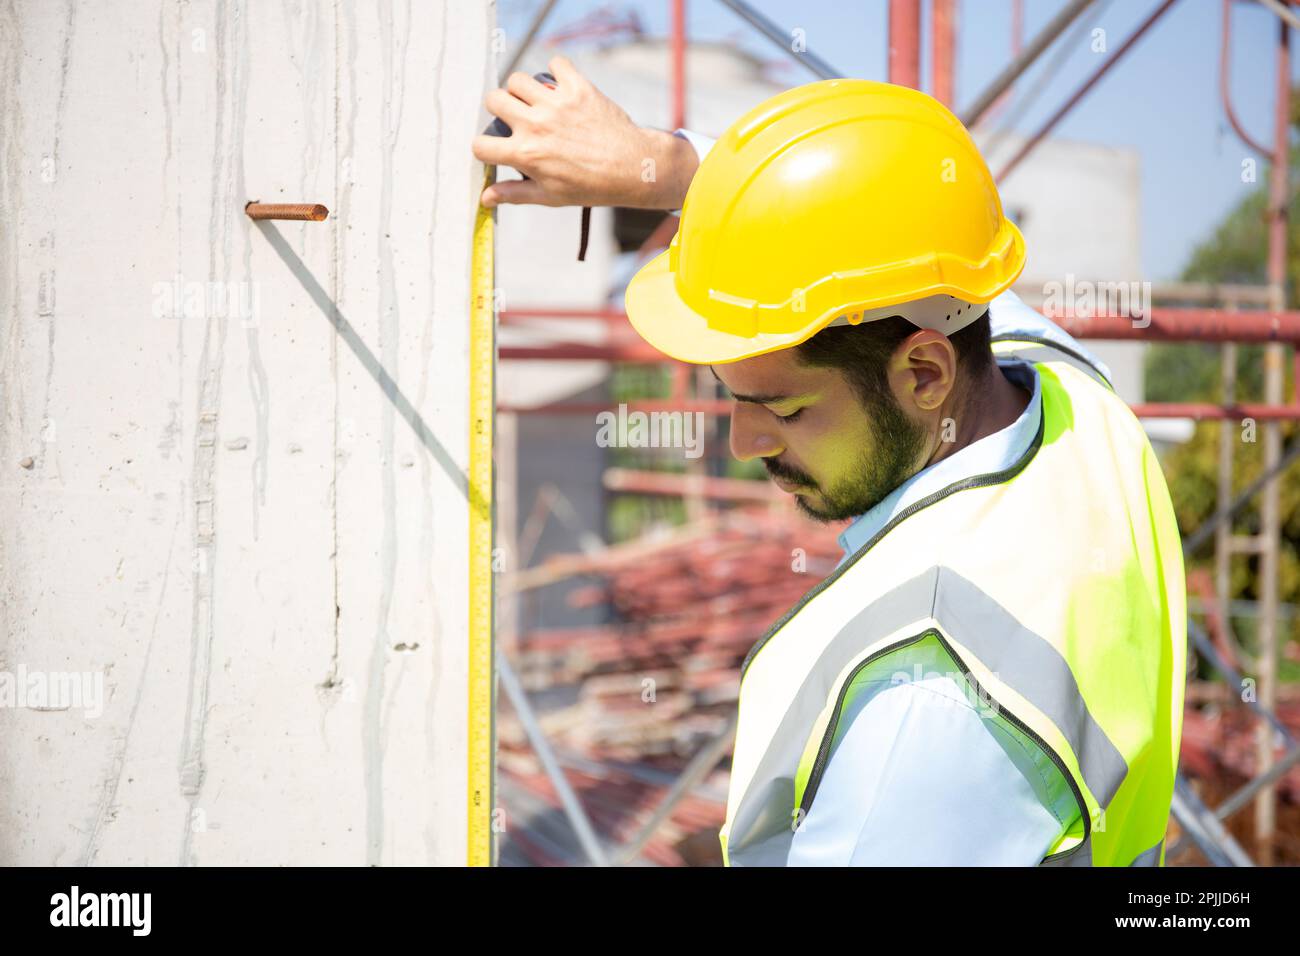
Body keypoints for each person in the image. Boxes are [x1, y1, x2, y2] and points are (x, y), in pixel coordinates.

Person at [474, 57, 1186, 867]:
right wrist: (654, 162)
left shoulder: (929, 698)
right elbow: (890, 227)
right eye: (730, 396)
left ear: (924, 373)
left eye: (783, 408)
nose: (744, 444)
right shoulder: (1069, 397)